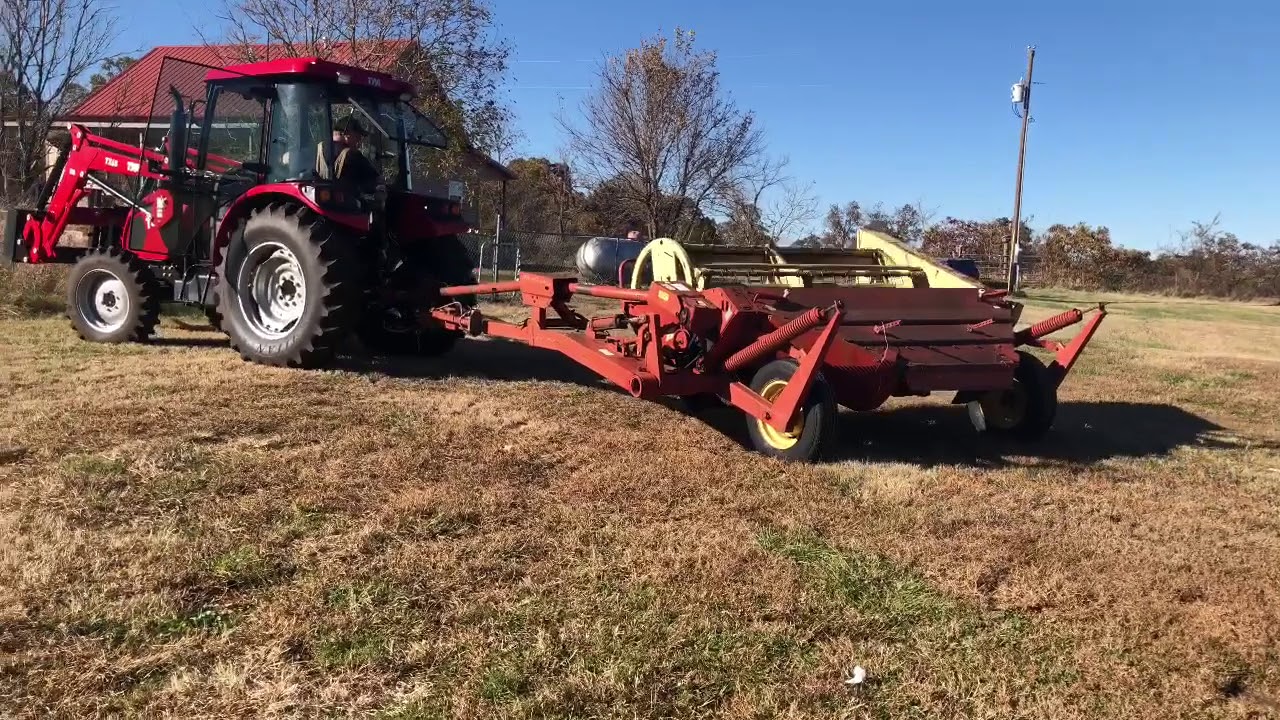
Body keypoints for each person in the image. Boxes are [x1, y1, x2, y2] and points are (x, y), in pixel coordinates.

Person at [328, 115, 381, 196]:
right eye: (357, 136)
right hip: (346, 201)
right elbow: (374, 180)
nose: (359, 140)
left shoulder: (319, 150)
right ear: (347, 134)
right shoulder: (352, 156)